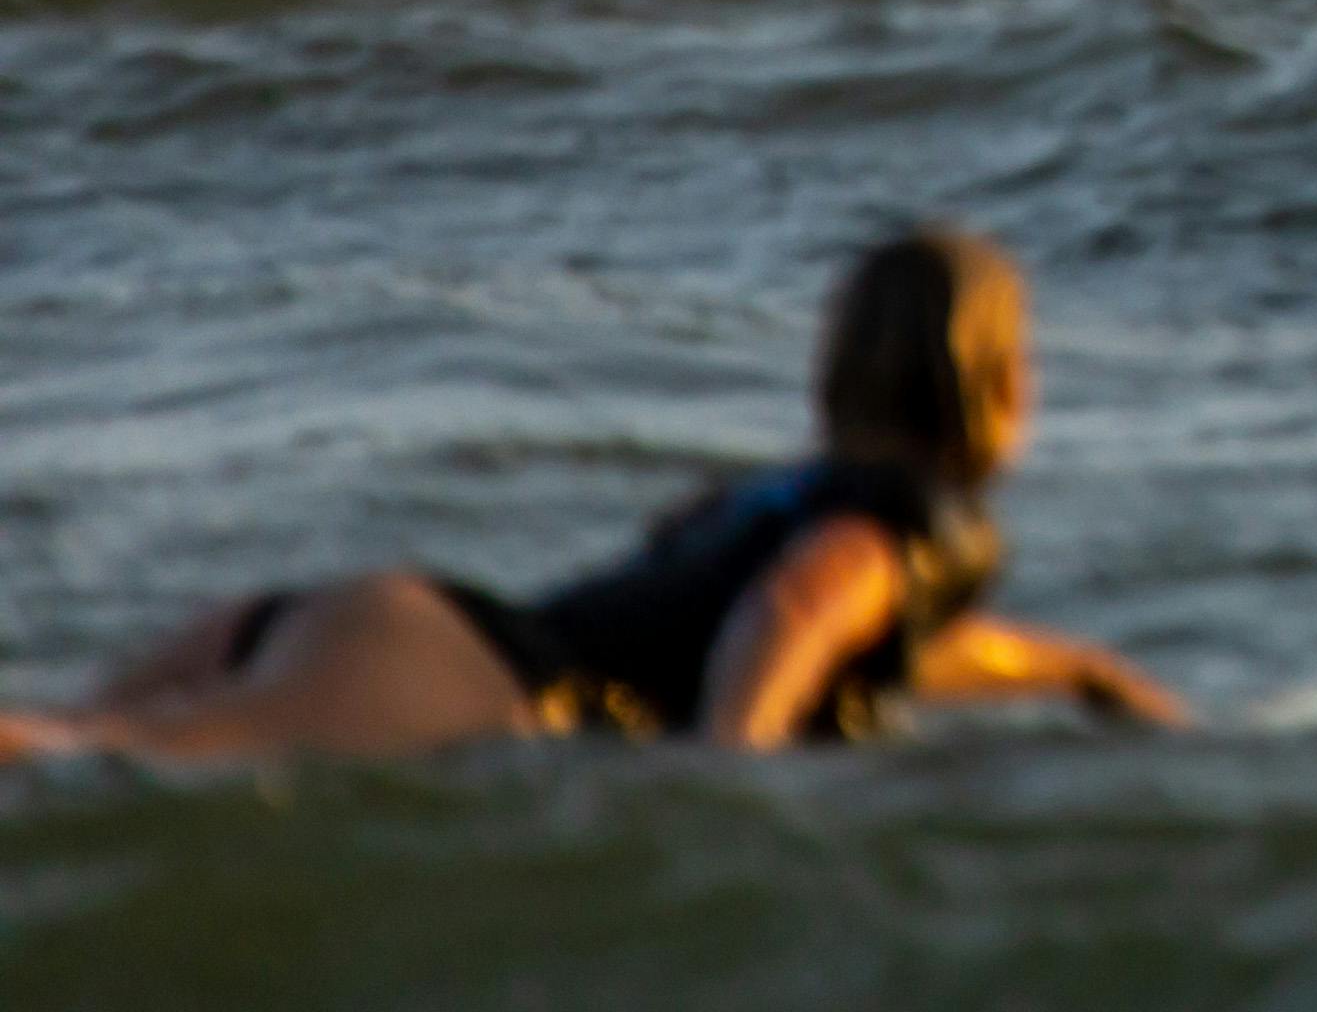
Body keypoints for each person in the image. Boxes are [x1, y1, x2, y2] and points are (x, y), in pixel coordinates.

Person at [0, 223, 1181, 765]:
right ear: (998, 383)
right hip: (474, 677)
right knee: (90, 752)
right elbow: (792, 616)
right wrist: (738, 766)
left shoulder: (791, 496)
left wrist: (1079, 670)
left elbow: (875, 638)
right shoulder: (891, 529)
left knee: (73, 736)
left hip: (396, 623)